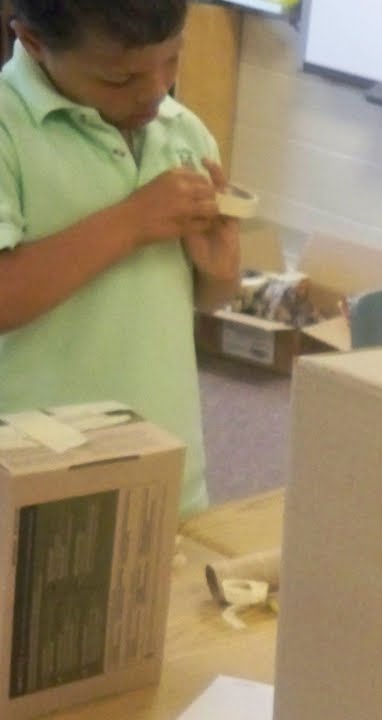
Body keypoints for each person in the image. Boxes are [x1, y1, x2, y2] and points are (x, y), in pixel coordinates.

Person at [0, 0, 241, 516]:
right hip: (36, 483)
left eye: (172, 59)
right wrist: (132, 221)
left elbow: (209, 298)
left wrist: (219, 269)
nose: (155, 91)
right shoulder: (7, 128)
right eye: (119, 78)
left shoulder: (184, 132)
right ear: (34, 43)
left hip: (168, 474)